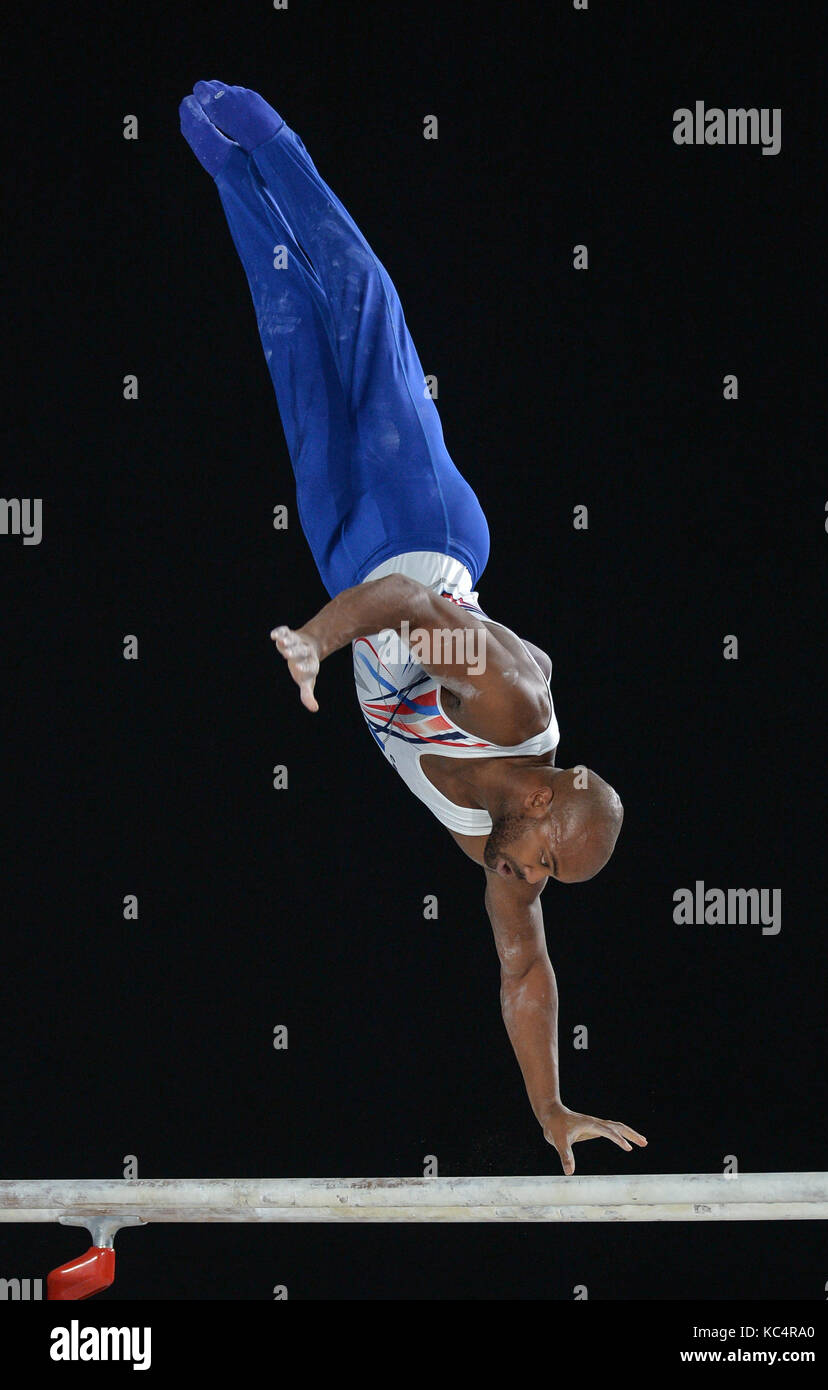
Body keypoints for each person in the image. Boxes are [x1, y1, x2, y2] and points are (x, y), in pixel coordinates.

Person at [180, 81, 647, 1172]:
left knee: (291, 342)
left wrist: (552, 1110)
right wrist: (312, 641)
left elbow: (524, 975)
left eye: (537, 878)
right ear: (544, 796)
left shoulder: (505, 858)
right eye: (538, 862)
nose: (525, 881)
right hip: (415, 530)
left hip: (347, 552)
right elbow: (402, 610)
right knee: (361, 314)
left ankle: (224, 172)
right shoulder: (509, 701)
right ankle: (272, 141)